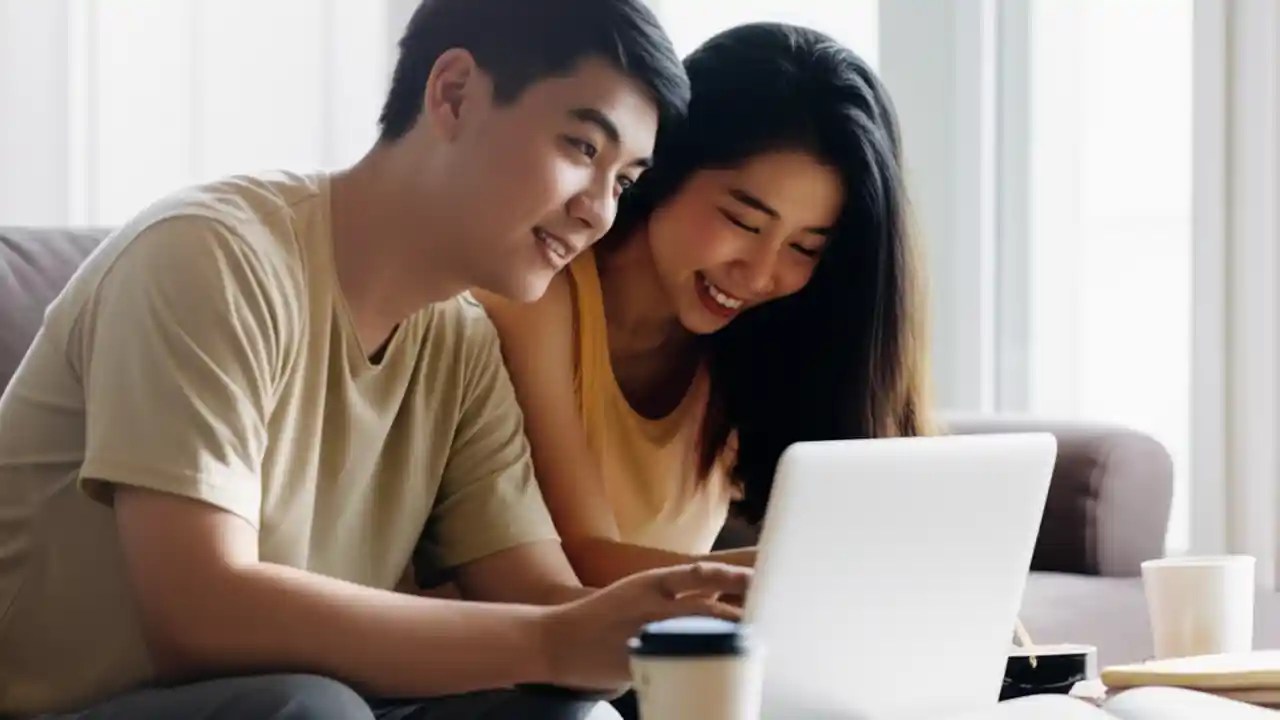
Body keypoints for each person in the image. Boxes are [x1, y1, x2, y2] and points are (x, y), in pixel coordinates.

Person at [0, 1, 752, 718]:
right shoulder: (211, 259)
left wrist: (735, 598)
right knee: (308, 709)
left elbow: (538, 600)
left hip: (320, 703)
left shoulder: (463, 343)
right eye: (582, 148)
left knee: (560, 706)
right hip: (87, 708)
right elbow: (200, 612)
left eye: (623, 181)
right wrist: (554, 640)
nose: (598, 210)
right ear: (453, 93)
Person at [479, 22, 934, 589]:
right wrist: (813, 576)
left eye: (805, 247)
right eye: (742, 221)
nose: (762, 274)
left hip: (665, 670)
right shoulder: (537, 287)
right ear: (667, 165)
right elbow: (579, 567)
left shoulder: (762, 344)